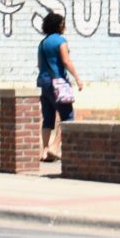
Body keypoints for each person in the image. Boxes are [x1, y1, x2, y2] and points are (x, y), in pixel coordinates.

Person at [36, 11, 83, 162]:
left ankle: (44, 150)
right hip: (59, 83)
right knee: (68, 117)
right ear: (59, 25)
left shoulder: (42, 43)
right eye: (63, 23)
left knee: (48, 117)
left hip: (43, 82)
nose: (64, 26)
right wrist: (77, 78)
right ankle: (54, 147)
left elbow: (39, 64)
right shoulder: (61, 41)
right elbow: (66, 61)